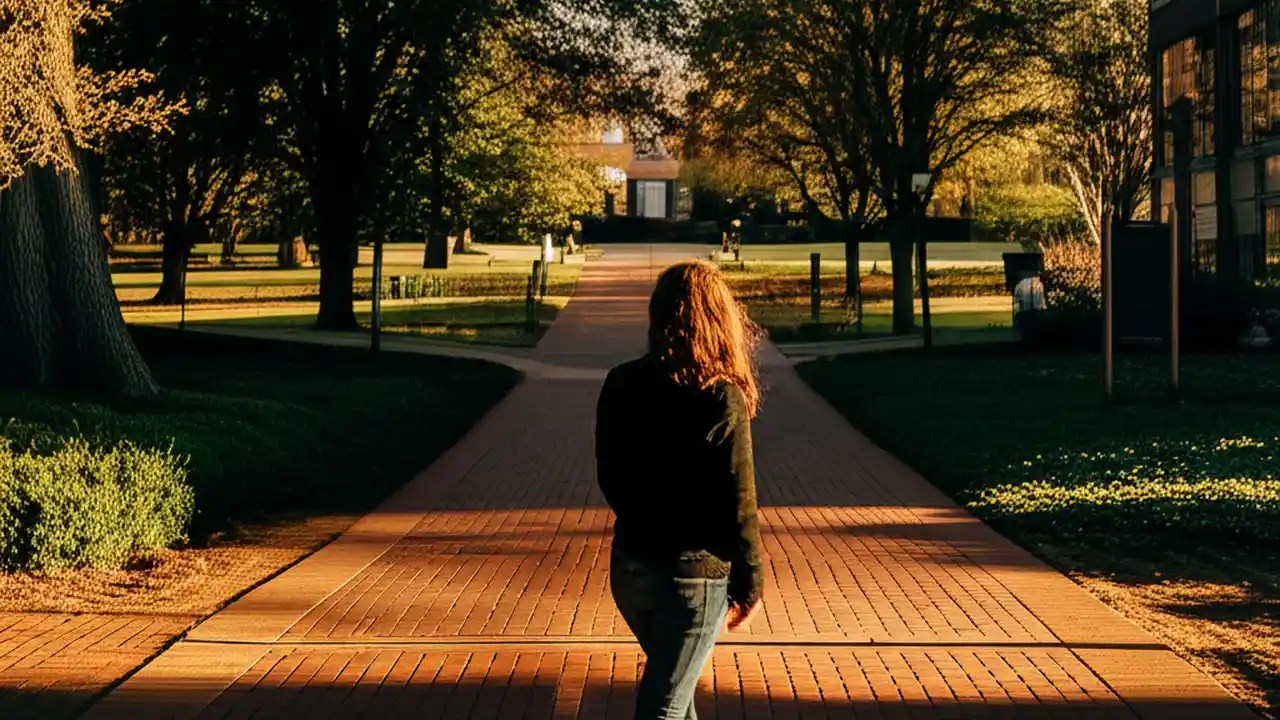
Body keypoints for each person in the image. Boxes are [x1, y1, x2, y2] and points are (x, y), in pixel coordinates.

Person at [595, 260, 766, 719]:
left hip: (630, 569)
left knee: (676, 690)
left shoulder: (622, 382)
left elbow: (610, 479)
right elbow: (739, 498)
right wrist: (751, 582)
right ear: (718, 318)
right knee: (666, 706)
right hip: (693, 578)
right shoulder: (718, 394)